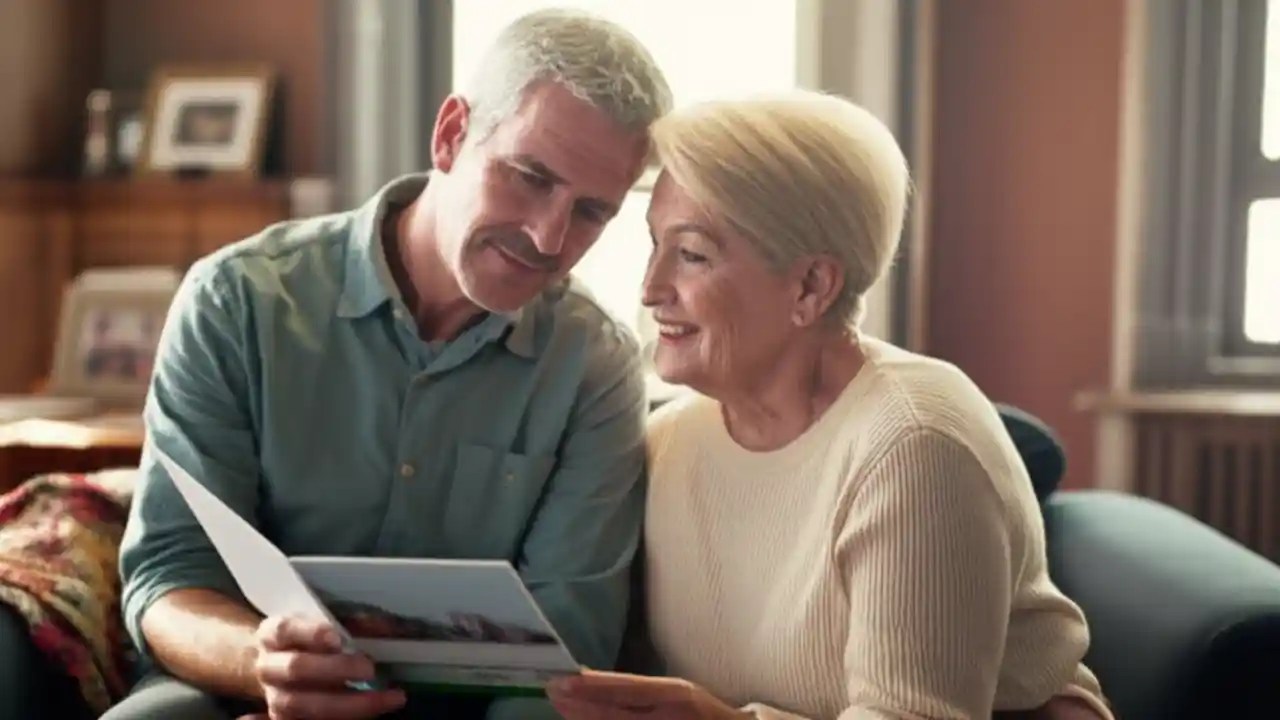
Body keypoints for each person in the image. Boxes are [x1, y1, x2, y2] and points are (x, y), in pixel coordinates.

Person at [99, 9, 670, 720]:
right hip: (244, 694)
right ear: (451, 134)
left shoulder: (594, 367)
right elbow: (169, 576)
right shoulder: (237, 301)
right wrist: (265, 664)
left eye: (591, 212)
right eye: (528, 177)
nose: (548, 237)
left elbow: (566, 650)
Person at [546, 91, 1114, 719]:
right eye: (654, 245)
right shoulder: (670, 438)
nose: (651, 289)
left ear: (812, 287)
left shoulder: (915, 440)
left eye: (692, 254)